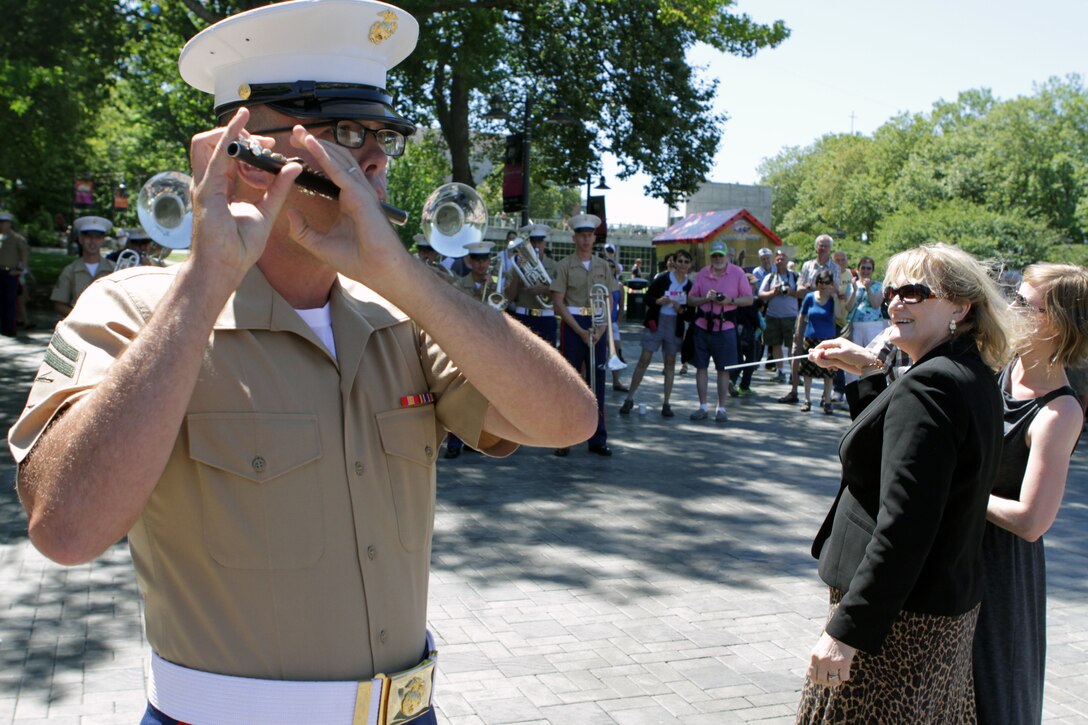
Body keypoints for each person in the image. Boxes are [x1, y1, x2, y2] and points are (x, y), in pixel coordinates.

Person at [7, 3, 596, 724]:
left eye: (383, 136)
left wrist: (403, 275)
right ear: (246, 154)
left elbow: (568, 419)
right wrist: (206, 279)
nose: (374, 158)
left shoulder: (401, 315)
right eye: (345, 133)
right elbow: (65, 530)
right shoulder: (136, 310)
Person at [796, 243, 1009, 723]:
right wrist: (869, 371)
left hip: (898, 621)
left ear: (959, 305)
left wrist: (847, 632)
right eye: (892, 292)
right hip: (938, 608)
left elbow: (905, 525)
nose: (895, 303)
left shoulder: (929, 386)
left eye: (914, 292)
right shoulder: (967, 372)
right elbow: (890, 448)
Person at [973, 263, 1088, 725]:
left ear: (1058, 321)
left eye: (1025, 302)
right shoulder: (1000, 362)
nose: (1011, 307)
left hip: (1000, 574)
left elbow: (1032, 520)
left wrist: (957, 487)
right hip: (956, 554)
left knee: (994, 702)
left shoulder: (1059, 411)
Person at [550, 213, 617, 456]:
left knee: (597, 383)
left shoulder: (602, 265)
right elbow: (558, 302)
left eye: (590, 235)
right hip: (574, 321)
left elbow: (609, 299)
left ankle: (598, 438)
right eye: (582, 235)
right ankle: (564, 438)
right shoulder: (564, 265)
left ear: (594, 238)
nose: (586, 240)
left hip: (597, 322)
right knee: (569, 381)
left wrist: (601, 329)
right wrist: (577, 329)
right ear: (574, 238)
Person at [619, 249, 693, 417]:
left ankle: (666, 403)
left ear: (690, 264)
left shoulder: (689, 285)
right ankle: (629, 398)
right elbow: (648, 298)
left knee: (670, 363)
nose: (682, 265)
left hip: (675, 326)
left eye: (686, 262)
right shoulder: (663, 279)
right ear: (674, 262)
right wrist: (657, 301)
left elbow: (690, 313)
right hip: (656, 323)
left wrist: (679, 308)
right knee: (644, 359)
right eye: (680, 261)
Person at [685, 241, 753, 422]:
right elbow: (690, 300)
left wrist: (728, 300)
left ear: (727, 256)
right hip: (702, 325)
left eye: (720, 255)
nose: (717, 259)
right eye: (714, 255)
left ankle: (721, 408)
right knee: (701, 367)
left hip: (726, 328)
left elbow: (749, 299)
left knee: (723, 369)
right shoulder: (703, 273)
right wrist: (704, 299)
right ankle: (702, 406)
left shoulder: (737, 273)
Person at [790, 271, 839, 414]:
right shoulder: (810, 297)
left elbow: (838, 315)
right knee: (807, 371)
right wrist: (797, 333)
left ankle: (827, 401)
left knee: (828, 372)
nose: (823, 286)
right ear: (816, 283)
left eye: (826, 283)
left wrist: (835, 298)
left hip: (827, 339)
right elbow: (802, 315)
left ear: (831, 285)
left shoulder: (831, 300)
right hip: (810, 337)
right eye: (820, 282)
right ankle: (807, 400)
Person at [51, 216, 116, 317]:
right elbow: (59, 304)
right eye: (88, 236)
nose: (93, 241)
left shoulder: (114, 269)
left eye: (97, 237)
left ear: (102, 240)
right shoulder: (70, 271)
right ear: (81, 239)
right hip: (79, 329)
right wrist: (81, 318)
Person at [506, 223, 558, 346]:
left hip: (546, 318)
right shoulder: (518, 266)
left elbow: (561, 296)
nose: (536, 246)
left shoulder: (555, 266)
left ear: (544, 243)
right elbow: (509, 297)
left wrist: (544, 289)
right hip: (523, 317)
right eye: (532, 242)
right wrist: (518, 273)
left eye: (539, 242)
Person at [842, 256, 886, 384]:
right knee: (853, 356)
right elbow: (848, 307)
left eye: (868, 268)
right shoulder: (851, 286)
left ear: (872, 270)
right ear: (858, 269)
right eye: (863, 268)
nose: (865, 271)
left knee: (873, 356)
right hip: (856, 325)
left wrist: (868, 289)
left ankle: (874, 384)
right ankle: (852, 385)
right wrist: (855, 290)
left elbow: (876, 304)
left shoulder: (878, 286)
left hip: (873, 325)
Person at [759, 250, 801, 384]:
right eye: (777, 258)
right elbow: (761, 294)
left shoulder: (795, 276)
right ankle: (780, 371)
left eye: (783, 258)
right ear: (774, 261)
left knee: (791, 347)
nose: (780, 260)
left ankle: (794, 374)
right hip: (773, 316)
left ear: (787, 260)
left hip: (791, 316)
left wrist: (790, 292)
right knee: (776, 345)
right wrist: (774, 292)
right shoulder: (770, 277)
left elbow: (802, 294)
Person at [0, 211, 29, 337]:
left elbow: (24, 255)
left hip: (11, 273)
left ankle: (11, 328)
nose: (1, 225)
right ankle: (2, 326)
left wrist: (19, 269)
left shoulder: (17, 239)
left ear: (9, 224)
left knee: (11, 301)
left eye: (3, 223)